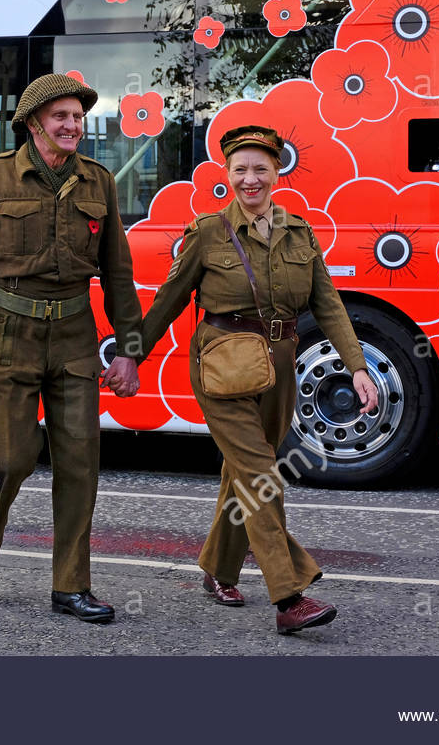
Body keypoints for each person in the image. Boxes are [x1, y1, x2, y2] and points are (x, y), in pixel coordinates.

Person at [137, 125, 379, 635]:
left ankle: (219, 568)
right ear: (226, 175)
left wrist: (358, 366)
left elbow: (328, 305)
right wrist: (129, 357)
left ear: (277, 173)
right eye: (240, 170)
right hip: (222, 361)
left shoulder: (300, 233)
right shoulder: (207, 232)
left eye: (260, 169)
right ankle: (290, 596)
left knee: (244, 473)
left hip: (281, 364)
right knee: (261, 473)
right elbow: (169, 300)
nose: (251, 179)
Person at [0, 73, 143, 623]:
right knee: (11, 459)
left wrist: (128, 349)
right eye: (62, 117)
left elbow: (118, 273)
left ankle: (70, 586)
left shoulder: (99, 182)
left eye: (78, 117)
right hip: (8, 334)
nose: (73, 126)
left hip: (75, 335)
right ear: (34, 124)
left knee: (81, 463)